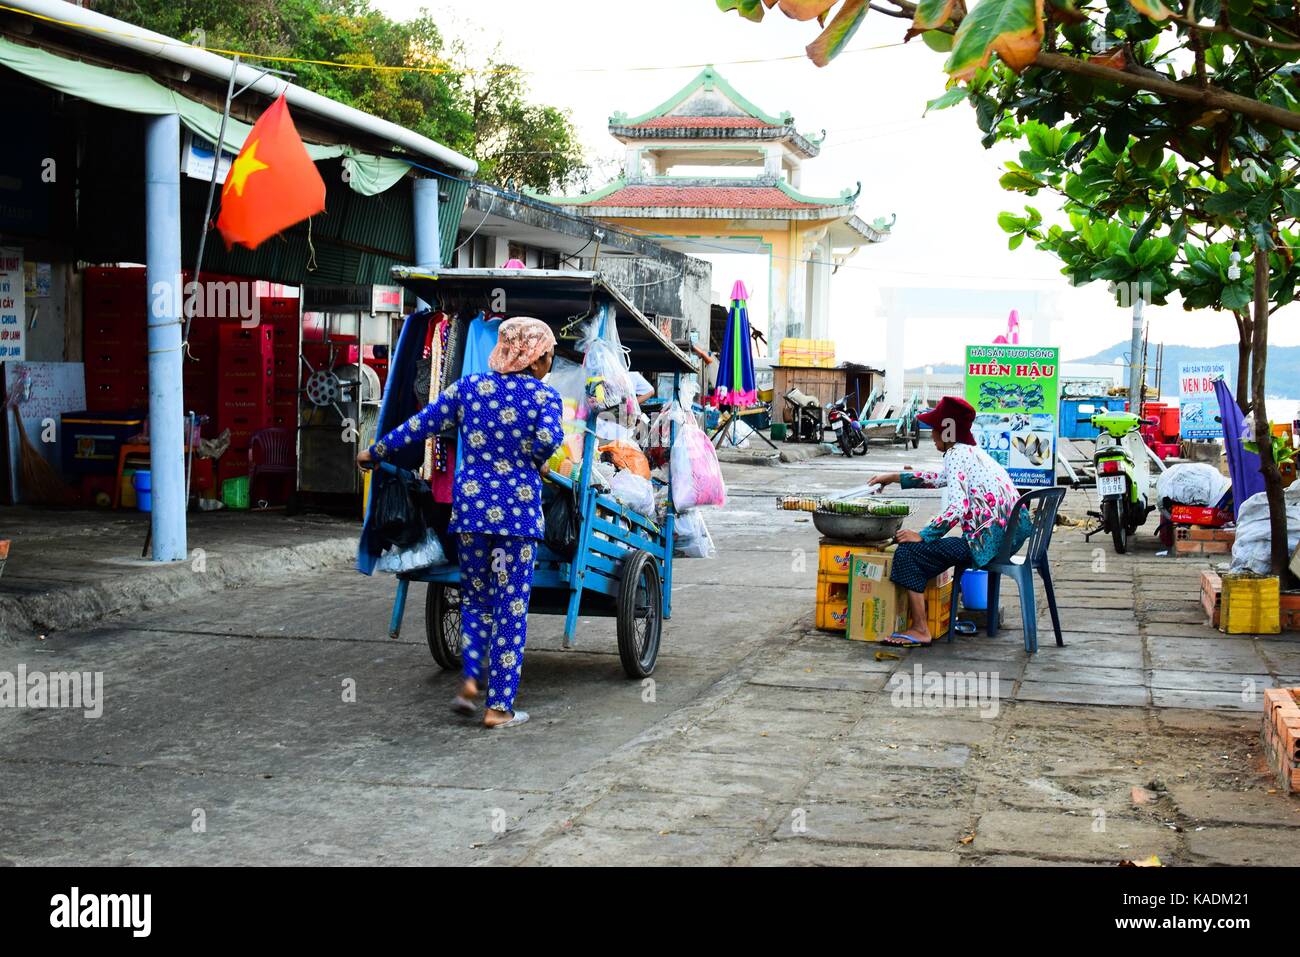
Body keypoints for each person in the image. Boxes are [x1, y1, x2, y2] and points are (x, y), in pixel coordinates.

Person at [358, 317, 563, 728]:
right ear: (535, 356)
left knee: (475, 598)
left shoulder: (470, 388)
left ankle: (471, 681)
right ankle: (499, 707)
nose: (549, 364)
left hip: (470, 512)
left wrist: (376, 451)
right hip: (516, 518)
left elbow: (423, 424)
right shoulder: (544, 397)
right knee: (511, 606)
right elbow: (548, 440)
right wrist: (532, 460)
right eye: (549, 357)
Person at [867, 396, 1031, 647]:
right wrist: (892, 477)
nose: (931, 435)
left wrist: (924, 534)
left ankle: (921, 628)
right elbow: (936, 478)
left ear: (947, 430)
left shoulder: (956, 454)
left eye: (934, 429)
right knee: (927, 550)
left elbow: (958, 507)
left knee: (908, 553)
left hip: (986, 545)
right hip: (1005, 540)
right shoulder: (972, 453)